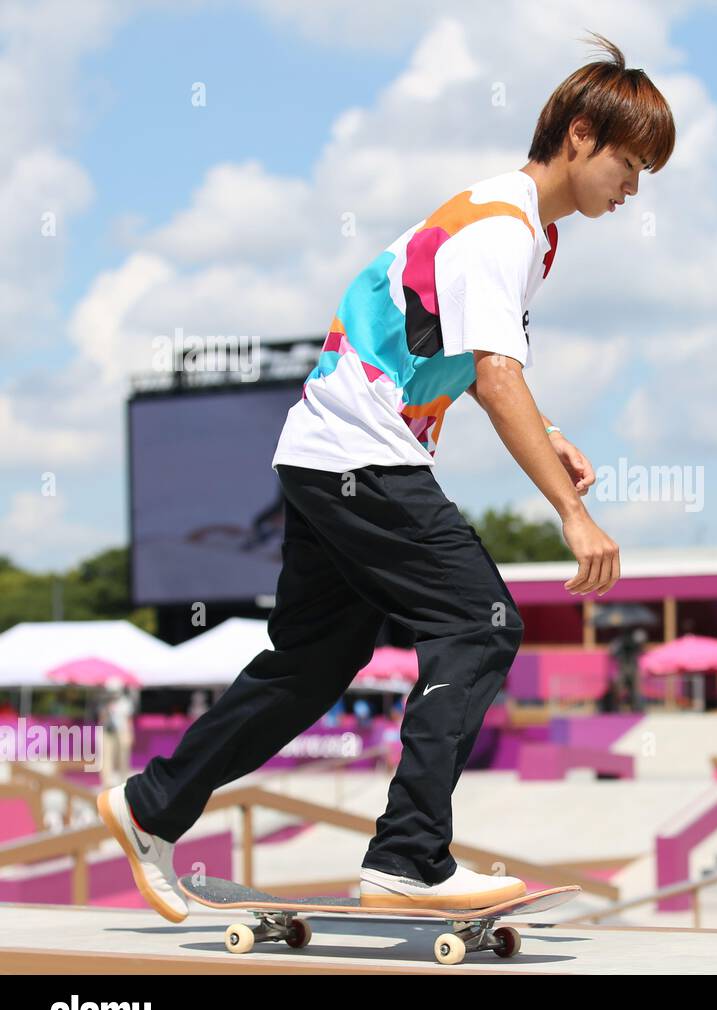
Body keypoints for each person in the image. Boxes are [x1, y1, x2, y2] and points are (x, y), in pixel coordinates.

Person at [96, 34, 670, 923]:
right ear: (582, 134)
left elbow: (472, 362)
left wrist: (548, 433)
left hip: (327, 453)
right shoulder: (501, 229)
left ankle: (149, 805)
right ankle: (408, 855)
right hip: (362, 454)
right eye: (630, 164)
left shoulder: (528, 233)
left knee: (310, 665)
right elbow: (494, 373)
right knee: (479, 622)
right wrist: (571, 514)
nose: (634, 189)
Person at [98, 677, 135, 787]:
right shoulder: (104, 702)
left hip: (122, 731)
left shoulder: (125, 702)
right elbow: (102, 718)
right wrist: (107, 709)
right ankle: (107, 783)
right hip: (108, 732)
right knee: (106, 758)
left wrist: (130, 734)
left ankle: (123, 783)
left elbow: (128, 719)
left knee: (123, 758)